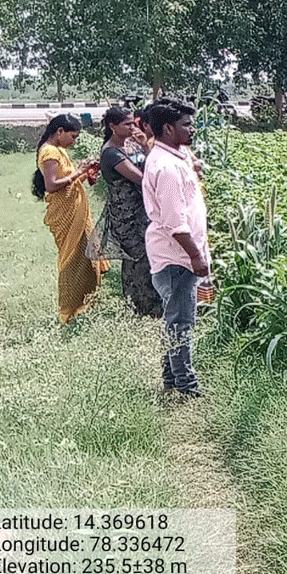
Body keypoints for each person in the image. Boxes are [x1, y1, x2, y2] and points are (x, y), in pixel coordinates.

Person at [143, 100, 208, 399]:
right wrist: (195, 255)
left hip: (176, 254)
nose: (192, 129)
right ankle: (186, 387)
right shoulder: (167, 167)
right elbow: (175, 222)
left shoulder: (174, 156)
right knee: (180, 323)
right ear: (168, 128)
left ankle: (172, 379)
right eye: (186, 124)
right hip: (176, 256)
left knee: (174, 319)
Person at [32, 113, 109, 323]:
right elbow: (52, 185)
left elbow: (68, 183)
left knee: (87, 259)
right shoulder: (49, 152)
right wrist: (78, 172)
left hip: (75, 211)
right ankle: (69, 310)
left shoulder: (59, 150)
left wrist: (84, 173)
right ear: (60, 132)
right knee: (73, 260)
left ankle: (86, 304)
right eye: (73, 137)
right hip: (64, 215)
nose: (74, 141)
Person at [98, 106, 162, 317]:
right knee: (137, 256)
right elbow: (143, 178)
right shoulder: (111, 153)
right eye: (127, 124)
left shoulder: (131, 146)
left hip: (140, 210)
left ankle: (149, 303)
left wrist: (145, 147)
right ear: (113, 127)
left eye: (133, 123)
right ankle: (140, 306)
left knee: (147, 254)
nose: (133, 127)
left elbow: (154, 166)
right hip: (126, 215)